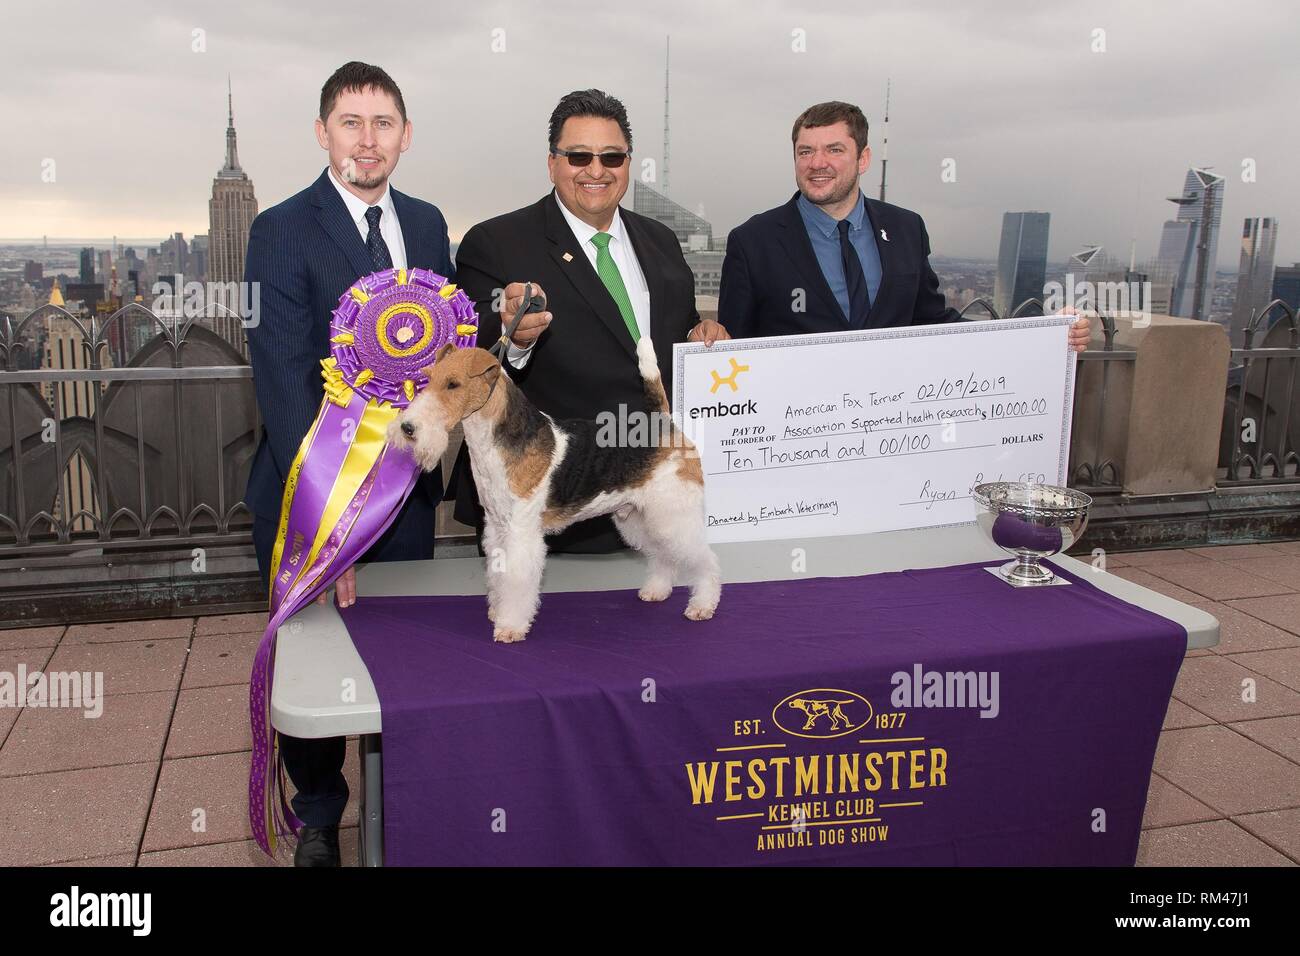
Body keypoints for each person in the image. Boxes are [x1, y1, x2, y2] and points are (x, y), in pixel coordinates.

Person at [243, 61, 453, 866]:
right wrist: (330, 526)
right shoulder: (282, 229)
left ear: (405, 134)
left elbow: (443, 358)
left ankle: (407, 800)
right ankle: (322, 816)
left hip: (405, 495)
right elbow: (285, 378)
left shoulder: (431, 224)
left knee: (403, 660)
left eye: (384, 124)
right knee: (316, 667)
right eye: (351, 123)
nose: (369, 141)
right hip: (313, 495)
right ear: (323, 133)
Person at [449, 89, 729, 553]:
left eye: (611, 156)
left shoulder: (661, 240)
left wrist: (702, 333)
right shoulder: (495, 242)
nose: (596, 170)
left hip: (654, 497)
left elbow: (674, 333)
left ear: (629, 162)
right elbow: (471, 355)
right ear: (552, 162)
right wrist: (512, 335)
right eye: (578, 156)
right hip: (549, 512)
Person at [719, 100, 1090, 349]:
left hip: (891, 435)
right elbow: (731, 349)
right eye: (805, 151)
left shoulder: (906, 229)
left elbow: (934, 323)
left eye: (834, 150)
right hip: (794, 440)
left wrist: (1044, 336)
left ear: (863, 159)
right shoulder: (753, 242)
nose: (817, 163)